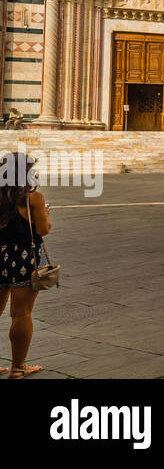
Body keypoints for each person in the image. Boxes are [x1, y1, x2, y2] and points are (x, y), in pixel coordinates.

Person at [0, 152, 51, 378]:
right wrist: (46, 214)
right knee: (21, 314)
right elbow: (42, 230)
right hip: (23, 258)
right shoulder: (33, 198)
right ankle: (18, 367)